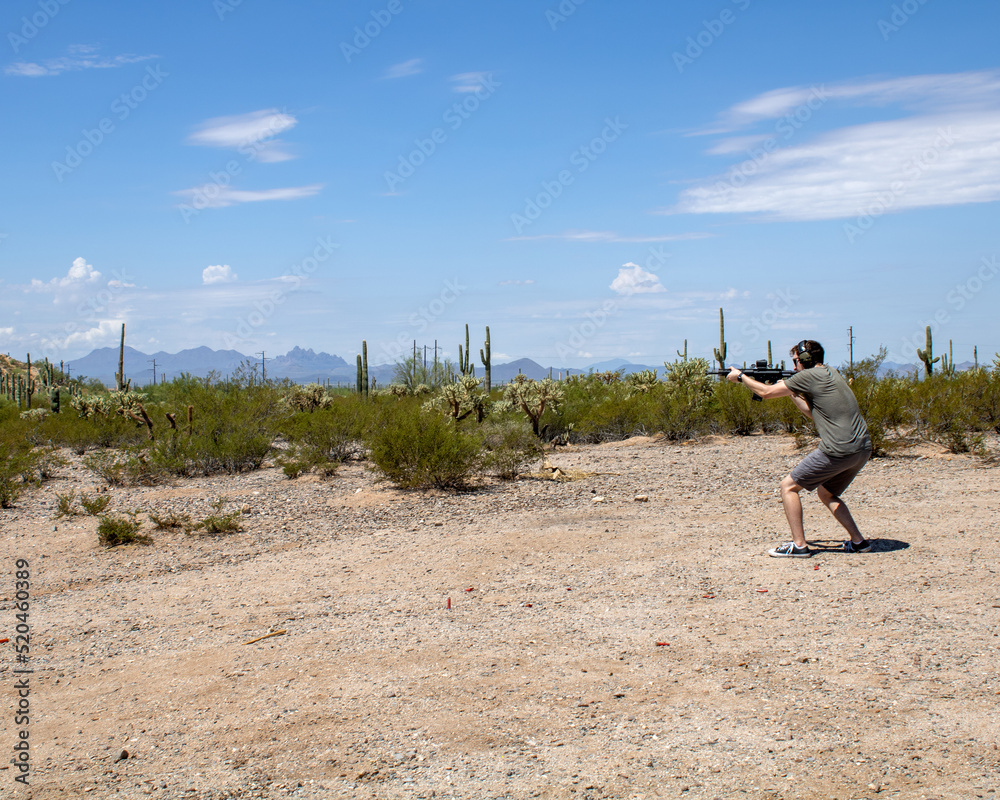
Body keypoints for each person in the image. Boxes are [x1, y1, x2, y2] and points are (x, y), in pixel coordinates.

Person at [726, 340, 872, 558]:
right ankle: (858, 542)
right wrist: (793, 391)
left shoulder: (809, 376)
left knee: (788, 486)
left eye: (796, 361)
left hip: (838, 448)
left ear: (806, 359)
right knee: (827, 492)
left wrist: (740, 377)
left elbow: (765, 392)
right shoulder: (831, 373)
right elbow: (814, 413)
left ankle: (800, 545)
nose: (794, 367)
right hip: (862, 447)